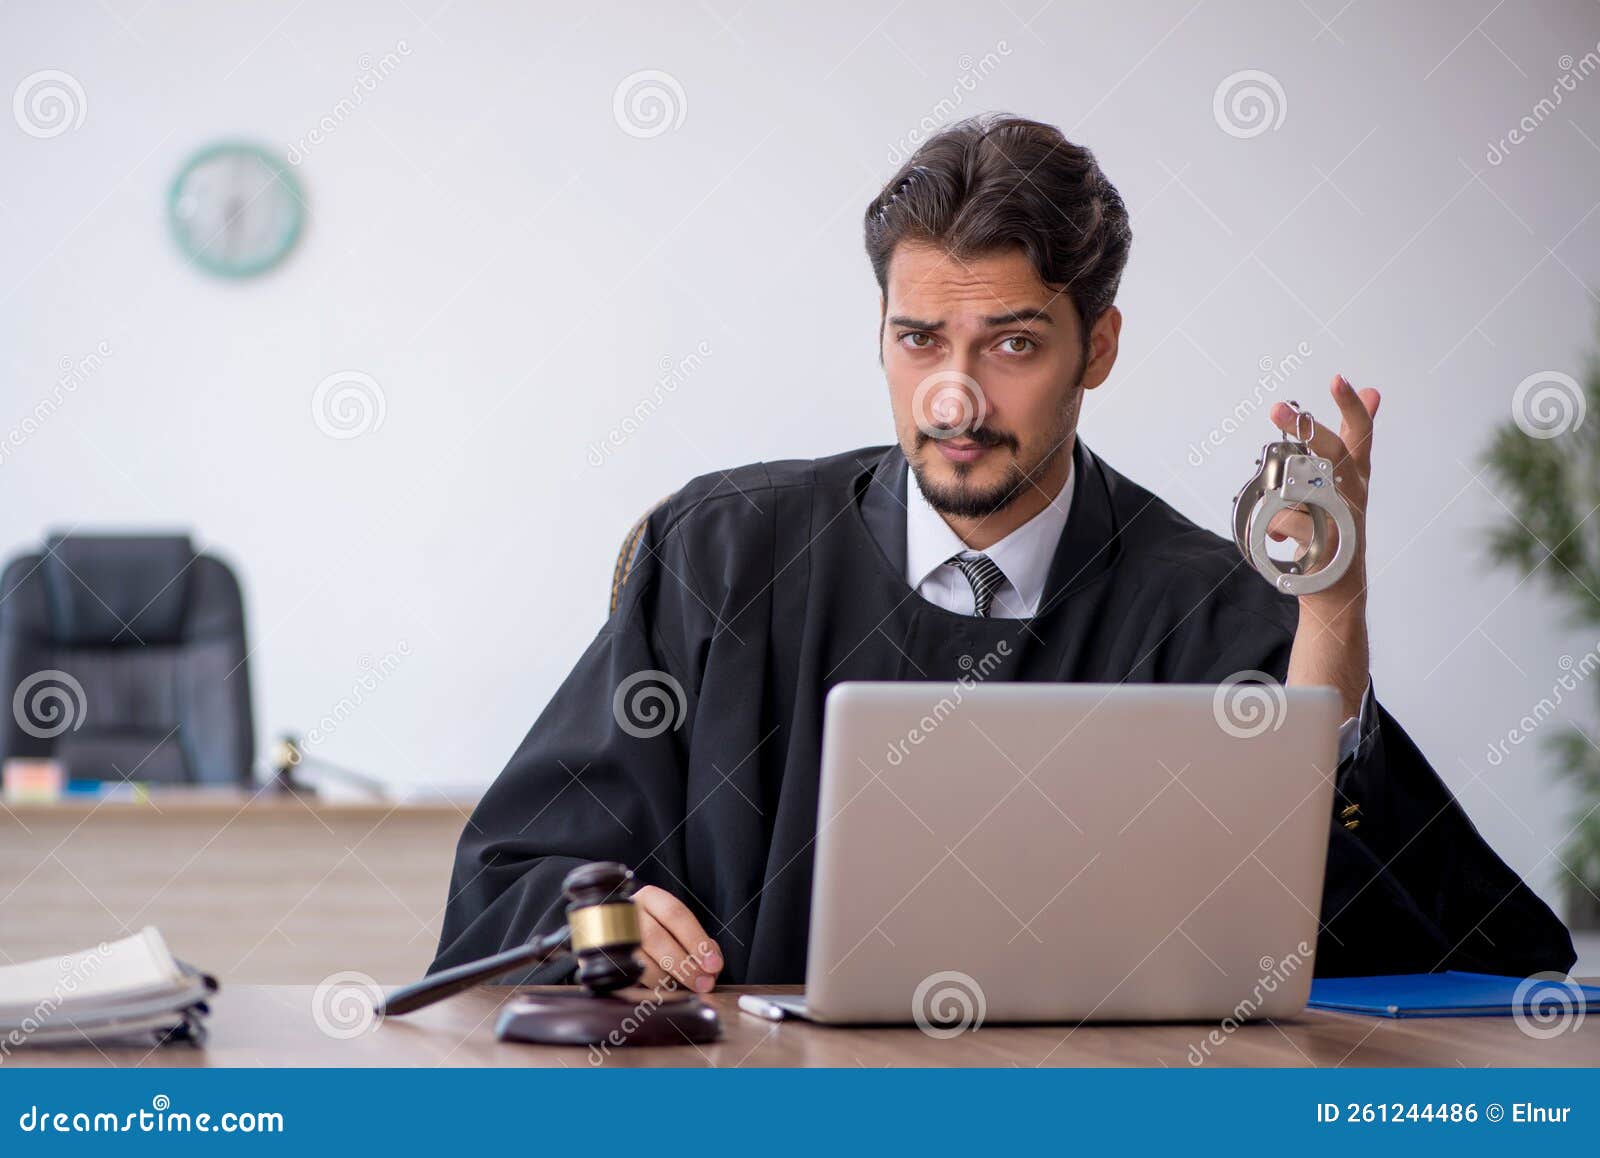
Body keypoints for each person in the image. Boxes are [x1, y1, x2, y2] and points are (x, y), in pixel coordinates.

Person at [431, 113, 1575, 993]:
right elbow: (506, 880)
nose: (955, 397)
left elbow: (1446, 957)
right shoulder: (722, 557)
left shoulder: (1209, 608)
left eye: (1013, 343)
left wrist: (1331, 616)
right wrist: (599, 923)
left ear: (1099, 348)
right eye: (918, 338)